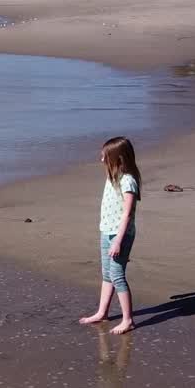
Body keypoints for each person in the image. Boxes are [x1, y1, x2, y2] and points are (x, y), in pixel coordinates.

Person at [80, 136, 141, 334]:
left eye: (105, 157)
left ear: (118, 159)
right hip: (106, 231)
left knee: (117, 275)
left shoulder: (128, 181)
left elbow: (127, 213)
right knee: (107, 274)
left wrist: (118, 241)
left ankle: (128, 319)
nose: (101, 160)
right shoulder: (112, 177)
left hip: (119, 235)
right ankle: (102, 312)